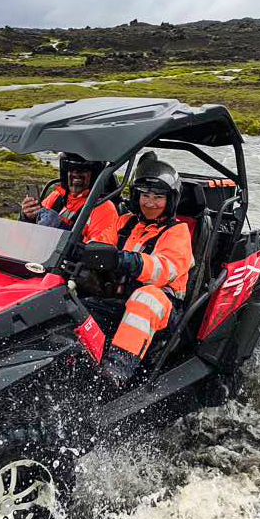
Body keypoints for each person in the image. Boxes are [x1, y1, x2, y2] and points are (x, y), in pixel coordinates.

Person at [81, 152, 193, 385]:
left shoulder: (178, 232)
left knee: (147, 297)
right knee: (72, 300)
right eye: (145, 195)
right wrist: (87, 250)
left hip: (164, 309)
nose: (150, 203)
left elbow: (163, 269)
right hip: (118, 299)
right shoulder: (126, 222)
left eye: (158, 197)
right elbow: (101, 242)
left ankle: (115, 373)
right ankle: (74, 360)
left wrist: (125, 260)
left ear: (170, 201)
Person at [21, 152, 118, 244]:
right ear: (65, 172)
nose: (76, 174)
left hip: (66, 261)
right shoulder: (56, 196)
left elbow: (98, 254)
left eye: (83, 169)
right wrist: (28, 217)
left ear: (94, 174)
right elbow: (33, 232)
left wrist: (62, 228)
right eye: (71, 168)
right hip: (41, 255)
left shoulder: (103, 207)